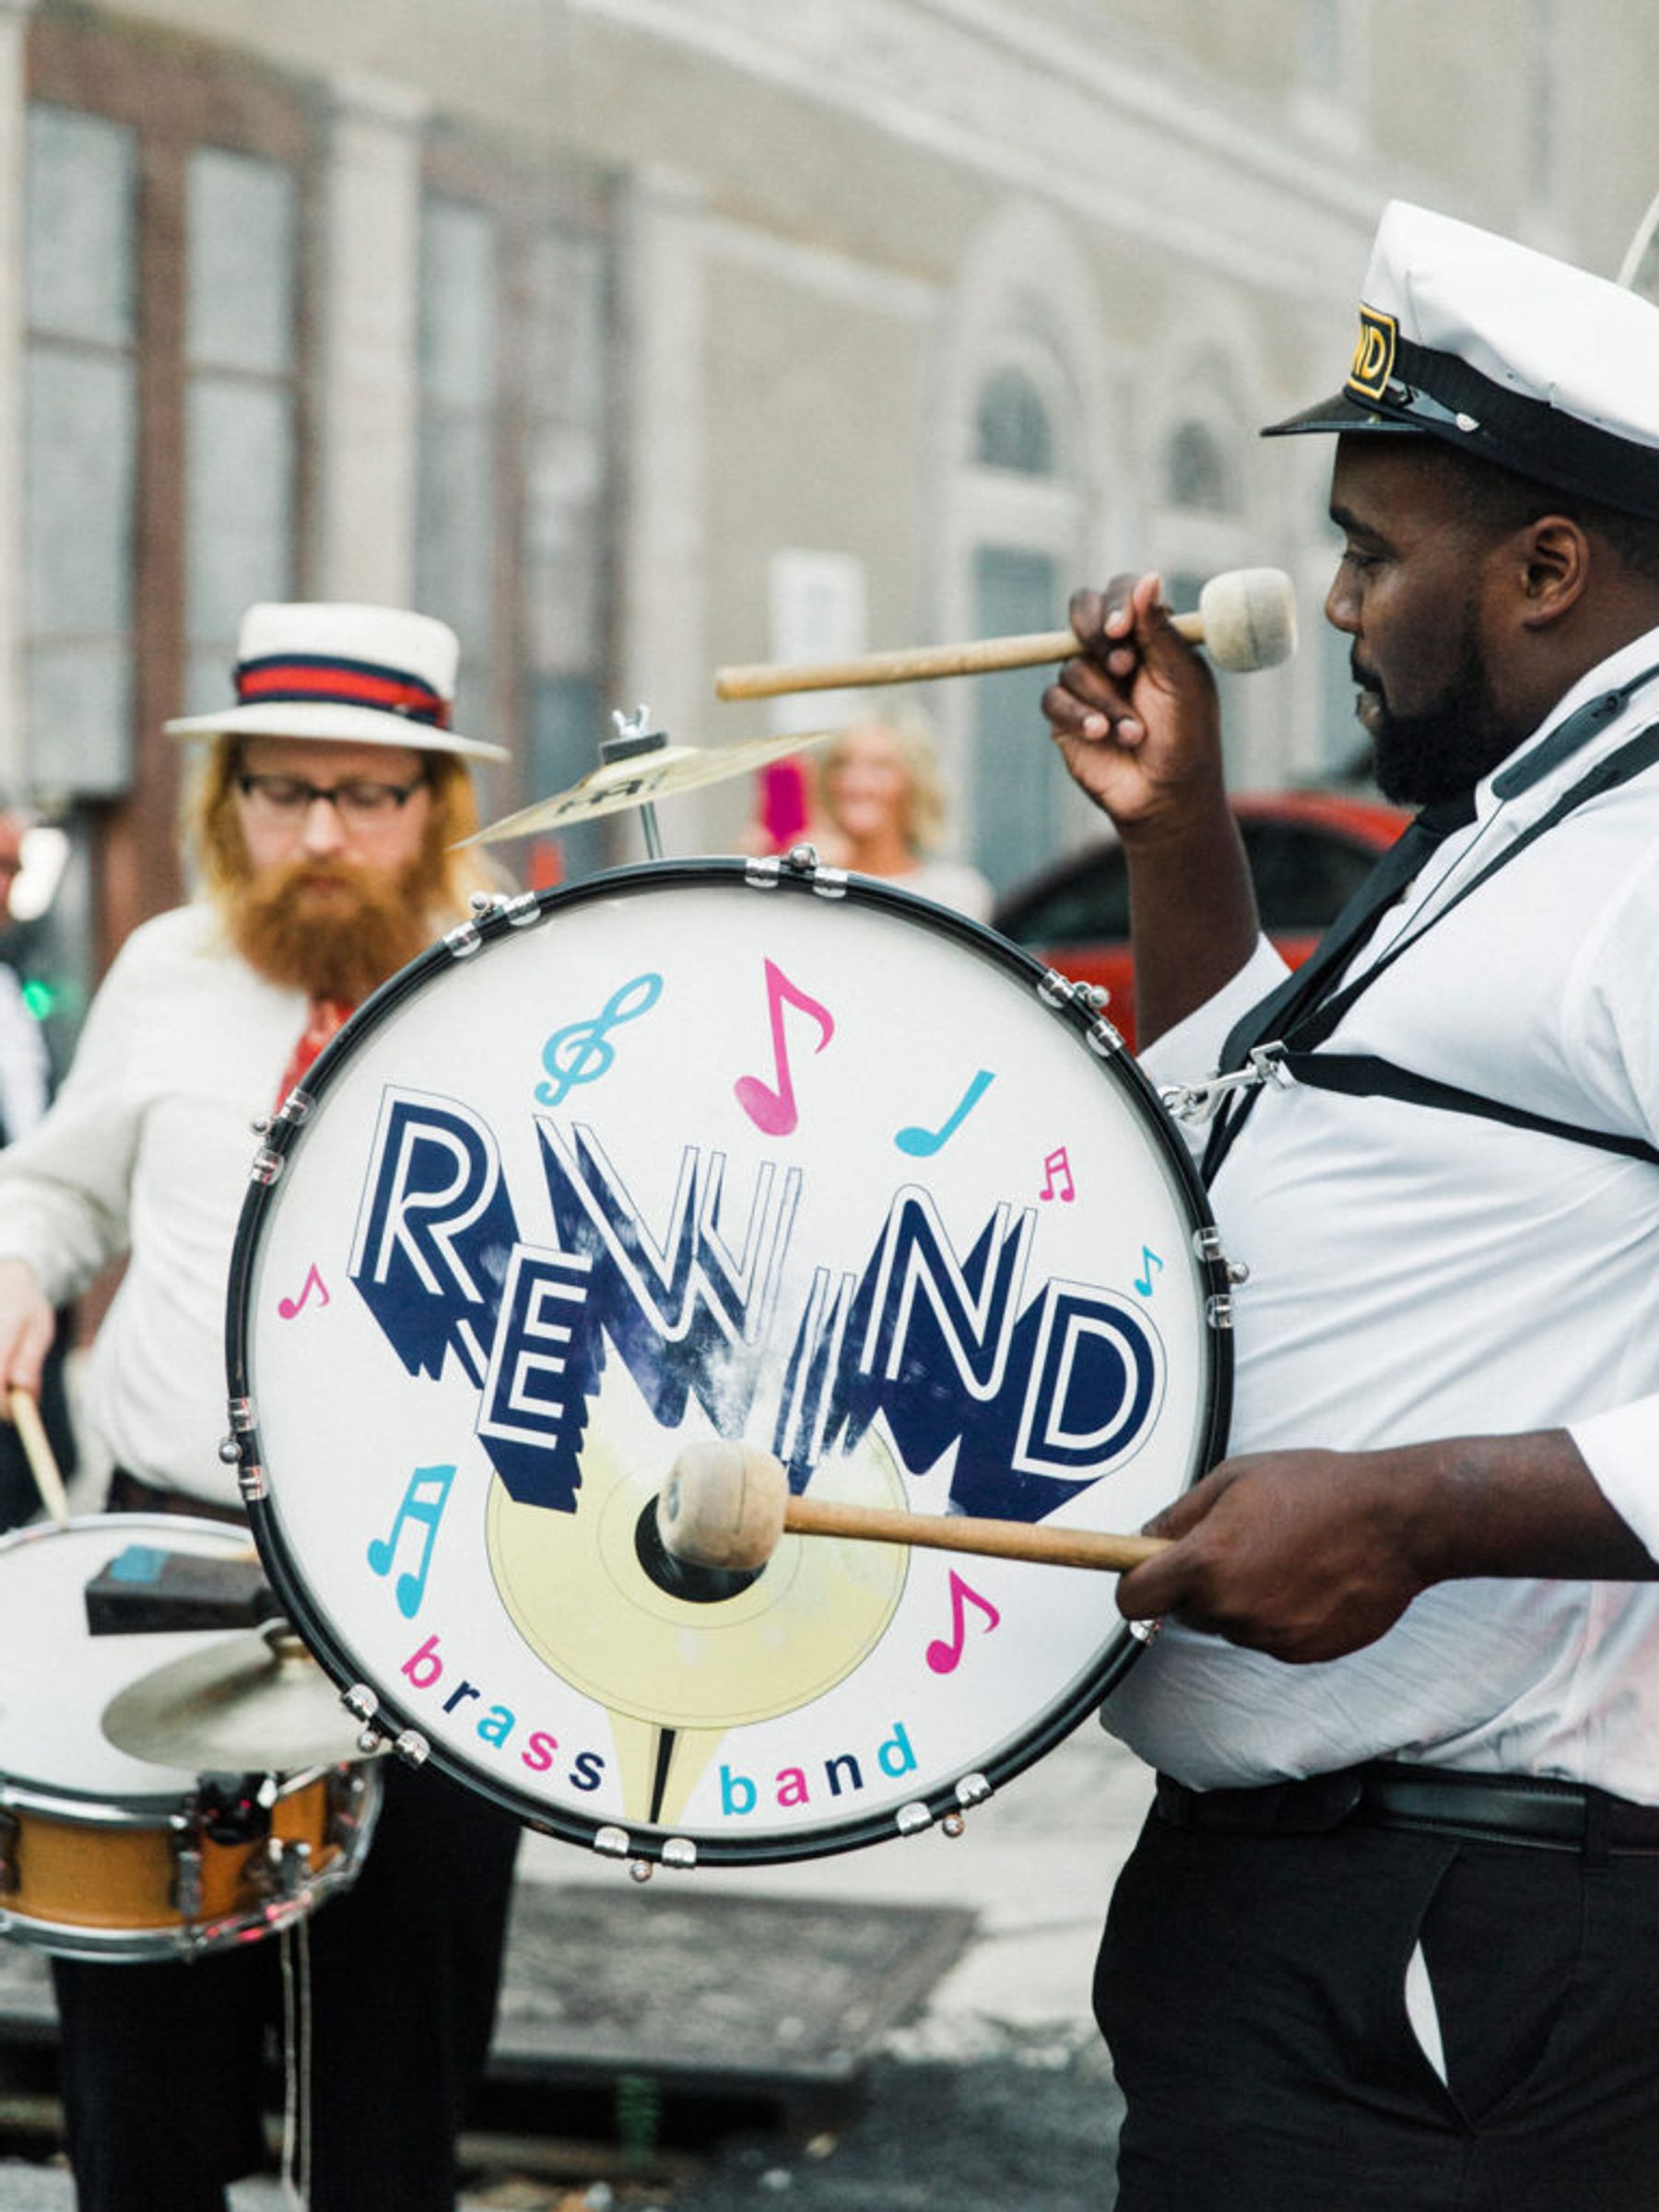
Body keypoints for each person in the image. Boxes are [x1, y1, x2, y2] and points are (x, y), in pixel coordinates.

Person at [1041, 202, 1659, 2212]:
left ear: (1546, 569)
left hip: (1471, 1937)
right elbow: (1284, 1138)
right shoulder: (1531, 812)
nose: (1330, 603)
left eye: (1374, 554)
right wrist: (1178, 836)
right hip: (1328, 1915)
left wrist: (1415, 1514)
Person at [0, 603, 524, 2212]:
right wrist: (18, 1268)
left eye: (366, 795)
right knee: (142, 2087)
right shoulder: (168, 966)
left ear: (435, 803)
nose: (322, 835)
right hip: (167, 1558)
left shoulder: (531, 980)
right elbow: (61, 1189)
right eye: (282, 791)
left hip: (435, 1586)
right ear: (228, 800)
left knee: (395, 2080)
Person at [815, 706, 994, 919]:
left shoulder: (954, 894)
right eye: (842, 764)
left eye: (880, 767)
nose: (854, 782)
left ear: (916, 783)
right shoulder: (807, 887)